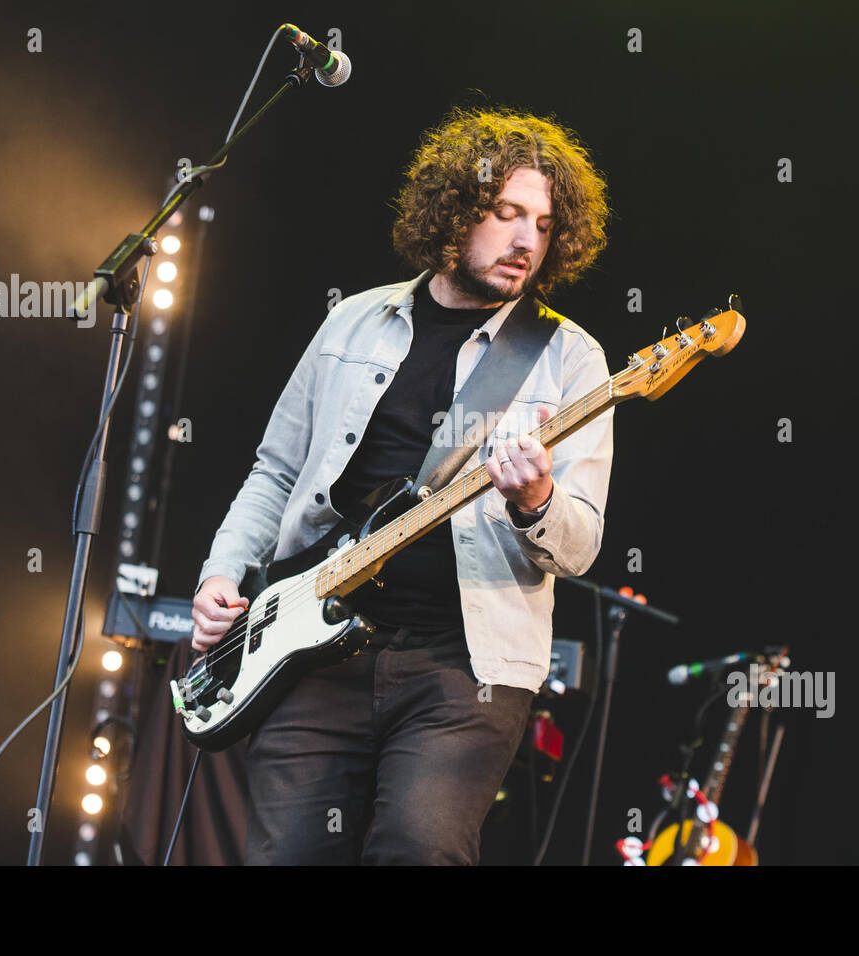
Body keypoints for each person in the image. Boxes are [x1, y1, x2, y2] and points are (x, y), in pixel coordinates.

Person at [191, 106, 613, 864]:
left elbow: (579, 545)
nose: (526, 242)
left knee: (419, 848)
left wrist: (535, 501)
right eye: (505, 214)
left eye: (543, 225)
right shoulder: (352, 324)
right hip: (310, 652)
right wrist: (223, 572)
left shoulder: (569, 360)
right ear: (453, 213)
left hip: (463, 670)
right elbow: (277, 471)